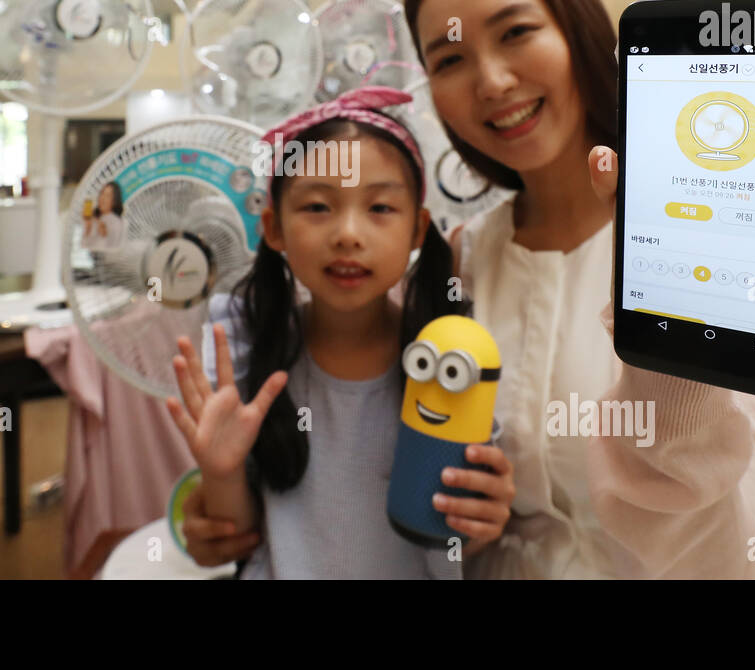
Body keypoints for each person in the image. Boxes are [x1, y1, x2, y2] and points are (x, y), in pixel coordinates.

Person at [183, 0, 755, 579]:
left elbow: (715, 538)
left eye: (517, 32)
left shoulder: (702, 236)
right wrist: (215, 510)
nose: (493, 80)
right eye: (452, 57)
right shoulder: (461, 261)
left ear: (577, 30)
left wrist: (685, 363)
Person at [164, 86, 514, 579]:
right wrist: (222, 470)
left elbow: (457, 541)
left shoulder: (449, 369)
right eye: (317, 207)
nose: (348, 234)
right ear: (274, 228)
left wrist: (482, 525)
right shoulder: (250, 356)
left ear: (417, 230)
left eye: (380, 209)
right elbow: (235, 537)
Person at [83, 180, 124, 249]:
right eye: (102, 193)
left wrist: (104, 234)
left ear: (114, 201)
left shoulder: (116, 222)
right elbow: (84, 246)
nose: (103, 198)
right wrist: (88, 229)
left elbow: (113, 248)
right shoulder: (94, 219)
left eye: (108, 196)